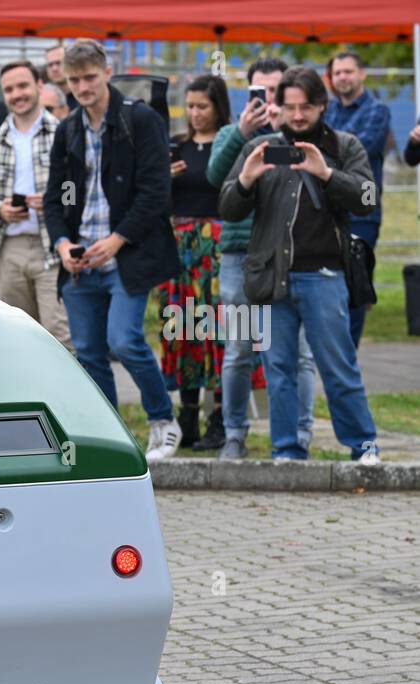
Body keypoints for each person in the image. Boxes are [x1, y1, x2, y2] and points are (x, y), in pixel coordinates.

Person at [219, 66, 378, 463]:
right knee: (279, 371)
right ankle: (287, 451)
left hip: (324, 276)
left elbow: (369, 196)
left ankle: (364, 446)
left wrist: (325, 173)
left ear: (322, 105)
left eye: (306, 106)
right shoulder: (260, 146)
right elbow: (226, 206)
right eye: (289, 107)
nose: (298, 115)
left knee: (339, 367)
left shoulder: (345, 145)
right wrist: (246, 180)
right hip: (273, 278)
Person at [42, 39, 182, 460]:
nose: (83, 87)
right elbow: (59, 195)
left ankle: (162, 419)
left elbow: (155, 190)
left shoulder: (138, 120)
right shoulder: (68, 129)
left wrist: (119, 239)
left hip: (128, 252)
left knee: (124, 340)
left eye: (89, 77)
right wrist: (63, 242)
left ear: (106, 72)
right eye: (74, 80)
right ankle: (112, 435)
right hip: (82, 258)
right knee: (88, 353)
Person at [207, 57, 314, 459]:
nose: (268, 100)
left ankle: (300, 433)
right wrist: (243, 134)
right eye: (259, 92)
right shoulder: (231, 134)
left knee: (299, 353)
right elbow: (217, 179)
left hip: (292, 253)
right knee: (239, 348)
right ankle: (234, 433)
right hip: (241, 252)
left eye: (275, 91)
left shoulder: (302, 133)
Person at [0, 59, 70, 346]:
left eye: (23, 85)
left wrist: (53, 202)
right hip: (6, 249)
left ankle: (62, 393)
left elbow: (80, 191)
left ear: (39, 86)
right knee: (20, 340)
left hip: (53, 247)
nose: (17, 94)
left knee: (60, 338)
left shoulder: (66, 134)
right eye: (9, 89)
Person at [156, 75, 228, 449]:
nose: (195, 114)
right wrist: (162, 178)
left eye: (203, 106)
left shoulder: (229, 145)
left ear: (218, 107)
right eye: (191, 106)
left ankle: (220, 416)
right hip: (179, 246)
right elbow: (154, 200)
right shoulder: (174, 148)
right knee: (182, 330)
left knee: (217, 330)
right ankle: (186, 414)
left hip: (216, 248)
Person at [325, 51, 392, 347]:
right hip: (328, 209)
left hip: (364, 210)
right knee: (329, 281)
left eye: (348, 71)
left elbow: (361, 149)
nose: (342, 77)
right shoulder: (326, 109)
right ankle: (331, 349)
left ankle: (348, 353)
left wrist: (331, 147)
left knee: (357, 283)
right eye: (337, 72)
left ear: (362, 74)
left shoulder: (379, 111)